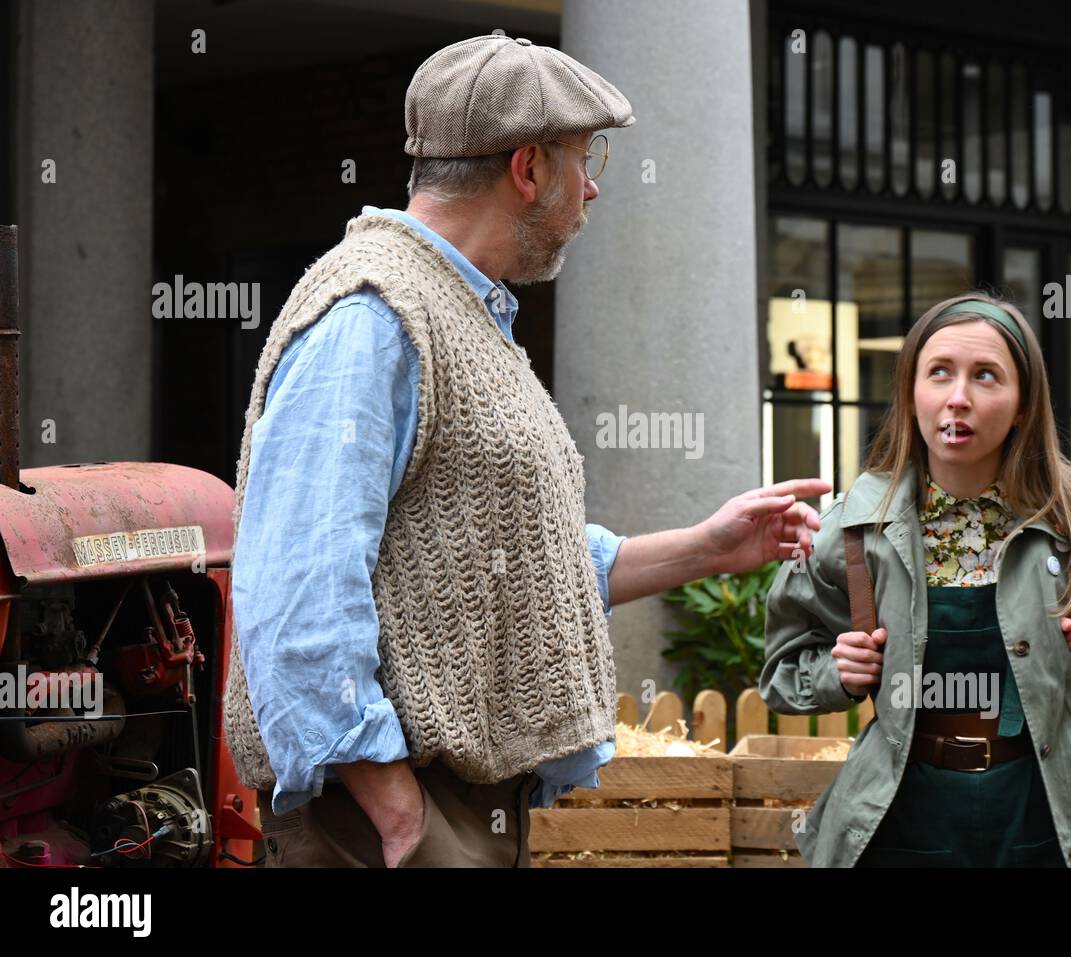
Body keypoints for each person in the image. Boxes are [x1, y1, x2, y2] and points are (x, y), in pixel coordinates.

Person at [223, 34, 830, 868]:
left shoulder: (459, 312)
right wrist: (401, 814)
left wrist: (708, 547)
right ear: (528, 168)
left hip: (455, 809)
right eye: (587, 159)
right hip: (382, 819)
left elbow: (512, 561)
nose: (591, 188)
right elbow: (297, 593)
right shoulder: (372, 315)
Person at [761, 292, 1071, 867]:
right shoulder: (853, 531)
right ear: (912, 392)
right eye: (939, 373)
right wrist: (837, 672)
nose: (958, 399)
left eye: (986, 376)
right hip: (901, 819)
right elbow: (782, 672)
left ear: (1024, 405)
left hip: (1048, 816)